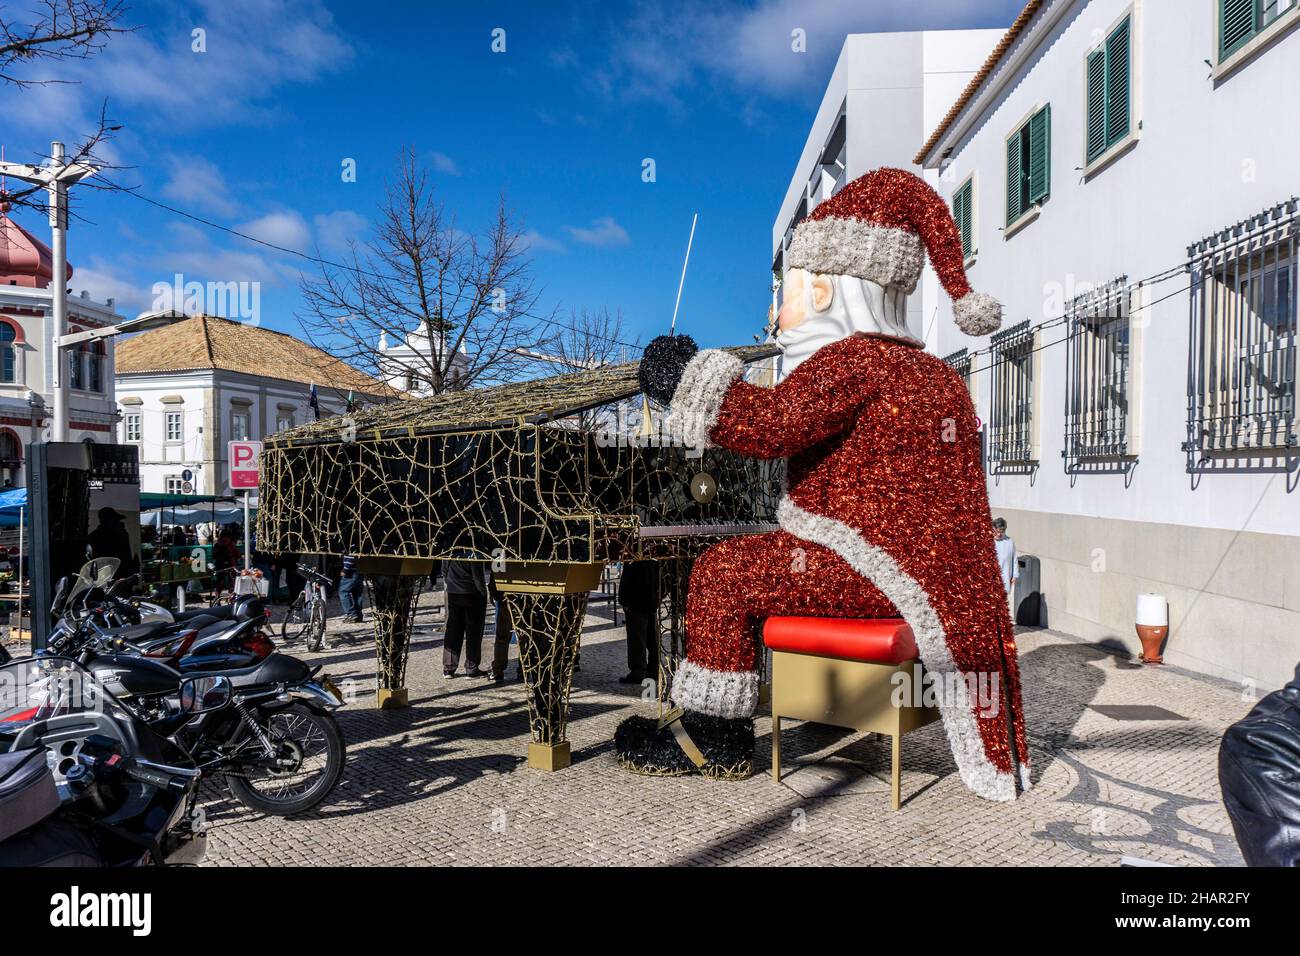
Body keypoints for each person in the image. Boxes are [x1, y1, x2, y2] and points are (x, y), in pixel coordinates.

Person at [614, 167, 1030, 800]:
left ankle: (712, 738)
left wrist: (682, 378)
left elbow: (770, 426)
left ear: (830, 291)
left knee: (724, 572)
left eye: (790, 291)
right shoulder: (938, 376)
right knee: (750, 565)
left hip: (870, 571)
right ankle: (770, 710)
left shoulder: (856, 360)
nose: (778, 314)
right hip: (920, 581)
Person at [442, 560, 489, 678]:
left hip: (453, 592)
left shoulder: (451, 548)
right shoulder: (474, 550)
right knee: (473, 631)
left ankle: (449, 667)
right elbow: (478, 576)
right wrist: (483, 592)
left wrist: (450, 584)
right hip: (471, 593)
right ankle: (471, 668)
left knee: (453, 630)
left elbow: (444, 569)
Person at [617, 560, 660, 686]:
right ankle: (653, 669)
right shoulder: (654, 561)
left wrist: (624, 601)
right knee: (652, 637)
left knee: (637, 638)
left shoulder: (632, 562)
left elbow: (627, 581)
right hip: (650, 601)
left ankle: (638, 671)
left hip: (635, 602)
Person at [993, 517, 1017, 596]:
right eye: (997, 531)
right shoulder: (987, 542)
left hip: (1005, 577)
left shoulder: (1009, 541)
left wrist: (1014, 575)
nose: (999, 534)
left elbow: (1014, 559)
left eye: (1002, 532)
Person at [337, 554, 363, 623]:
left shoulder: (350, 544)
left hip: (350, 572)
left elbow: (350, 556)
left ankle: (351, 614)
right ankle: (358, 615)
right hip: (360, 570)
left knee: (343, 591)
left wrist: (345, 569)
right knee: (357, 593)